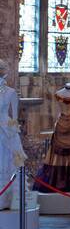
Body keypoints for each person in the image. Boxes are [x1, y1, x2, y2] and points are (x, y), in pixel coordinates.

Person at [0, 59, 26, 203]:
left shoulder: (11, 92)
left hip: (6, 129)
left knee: (7, 160)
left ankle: (9, 198)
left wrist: (12, 131)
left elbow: (15, 117)